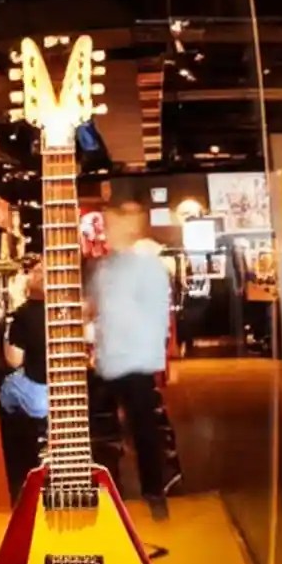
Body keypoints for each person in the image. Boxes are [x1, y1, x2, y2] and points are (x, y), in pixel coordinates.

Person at [89, 202, 174, 520]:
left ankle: (154, 494)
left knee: (142, 430)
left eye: (111, 223)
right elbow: (98, 309)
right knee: (105, 430)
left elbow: (156, 316)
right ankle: (112, 494)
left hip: (134, 360)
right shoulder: (105, 268)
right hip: (110, 360)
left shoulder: (147, 267)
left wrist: (149, 356)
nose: (107, 229)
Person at [0, 258, 48, 419]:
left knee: (6, 388)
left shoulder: (24, 314)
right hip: (69, 391)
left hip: (40, 397)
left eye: (33, 272)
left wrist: (10, 318)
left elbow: (14, 360)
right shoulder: (72, 309)